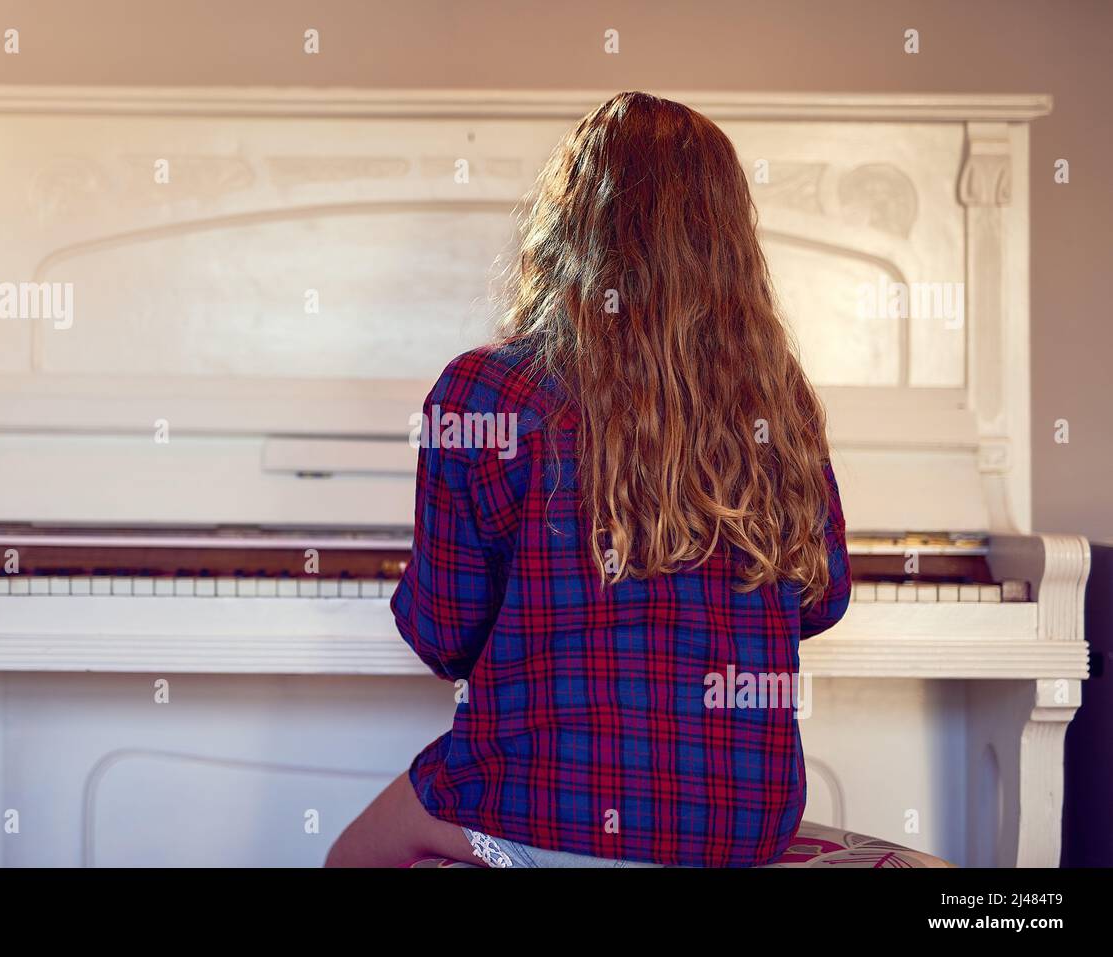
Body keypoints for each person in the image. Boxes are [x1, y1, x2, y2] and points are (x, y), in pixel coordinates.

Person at [325, 91, 851, 868]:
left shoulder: (487, 391)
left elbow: (443, 636)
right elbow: (822, 597)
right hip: (739, 828)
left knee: (347, 858)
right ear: (728, 242)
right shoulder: (777, 397)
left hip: (544, 808)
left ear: (568, 228)